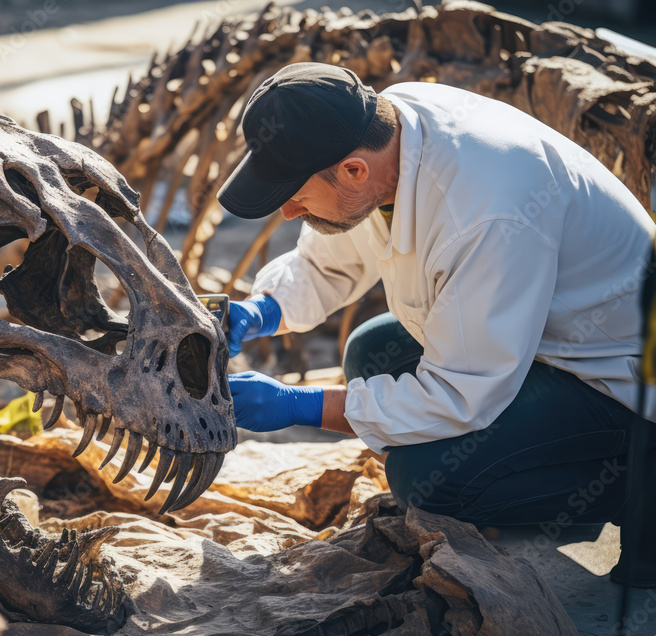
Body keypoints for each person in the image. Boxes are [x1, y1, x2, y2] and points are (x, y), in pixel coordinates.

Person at [216, 62, 656, 585]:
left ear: (354, 170)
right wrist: (261, 310)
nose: (288, 211)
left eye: (294, 192)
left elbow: (458, 394)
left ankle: (634, 486)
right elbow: (329, 257)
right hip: (541, 337)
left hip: (619, 376)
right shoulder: (388, 128)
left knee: (427, 480)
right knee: (370, 352)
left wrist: (302, 405)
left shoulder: (487, 211)